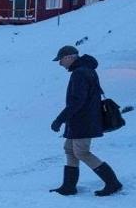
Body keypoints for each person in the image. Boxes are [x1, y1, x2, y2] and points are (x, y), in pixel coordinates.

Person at [50, 45, 122, 197]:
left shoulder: (80, 73)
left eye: (61, 60)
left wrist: (59, 119)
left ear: (69, 57)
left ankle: (113, 183)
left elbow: (77, 101)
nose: (60, 63)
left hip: (83, 120)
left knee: (82, 152)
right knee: (69, 149)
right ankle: (69, 186)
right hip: (81, 119)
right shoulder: (85, 70)